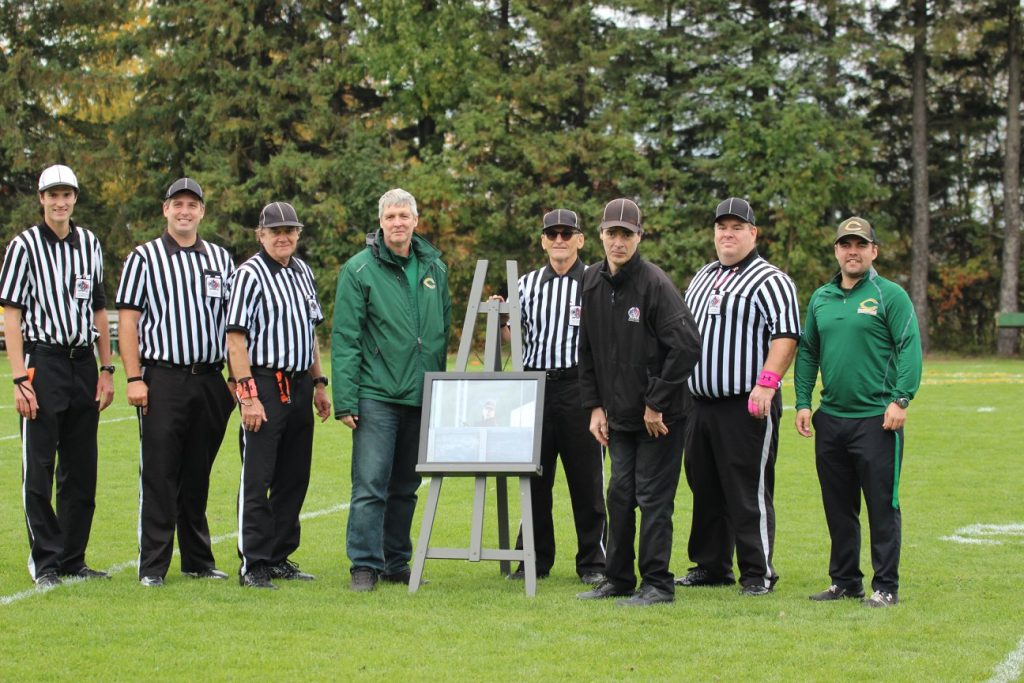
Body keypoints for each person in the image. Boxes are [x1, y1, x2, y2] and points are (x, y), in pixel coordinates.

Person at [576, 198, 701, 607]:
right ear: (600, 235)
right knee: (619, 494)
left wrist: (656, 402)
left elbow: (686, 345)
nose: (618, 241)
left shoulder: (654, 284)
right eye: (612, 233)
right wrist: (595, 406)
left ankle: (658, 585)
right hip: (620, 416)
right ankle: (618, 578)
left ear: (639, 237)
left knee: (652, 498)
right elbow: (588, 350)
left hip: (659, 418)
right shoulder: (591, 281)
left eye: (626, 234)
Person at [794, 216, 922, 608]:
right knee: (838, 507)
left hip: (877, 420)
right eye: (846, 244)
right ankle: (845, 581)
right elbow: (808, 352)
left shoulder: (890, 295)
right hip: (831, 418)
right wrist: (802, 402)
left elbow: (909, 346)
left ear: (873, 251)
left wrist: (901, 400)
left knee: (883, 506)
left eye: (861, 245)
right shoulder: (821, 297)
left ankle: (886, 587)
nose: (853, 251)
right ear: (836, 250)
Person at [116, 178, 236, 587]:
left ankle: (198, 561)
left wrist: (237, 379)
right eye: (177, 204)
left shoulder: (221, 259)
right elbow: (128, 322)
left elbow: (234, 324)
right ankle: (152, 566)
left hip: (209, 378)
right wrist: (134, 377)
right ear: (165, 209)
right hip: (163, 377)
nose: (185, 211)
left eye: (193, 205)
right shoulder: (144, 258)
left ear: (202, 211)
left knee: (197, 473)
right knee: (161, 473)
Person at [0, 164, 115, 586]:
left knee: (82, 467)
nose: (60, 202)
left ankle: (72, 557)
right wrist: (19, 377)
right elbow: (11, 315)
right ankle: (45, 561)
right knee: (40, 466)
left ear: (75, 199)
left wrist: (106, 369)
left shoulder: (89, 243)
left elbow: (99, 310)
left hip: (83, 361)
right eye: (53, 195)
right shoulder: (24, 246)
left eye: (67, 195)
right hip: (43, 361)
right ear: (41, 198)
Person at [680, 197, 801, 596]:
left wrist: (767, 382)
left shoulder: (771, 280)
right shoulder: (702, 276)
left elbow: (785, 334)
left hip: (746, 402)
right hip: (700, 402)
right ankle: (712, 565)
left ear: (753, 232)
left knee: (748, 488)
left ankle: (757, 572)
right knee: (705, 487)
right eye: (721, 227)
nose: (727, 234)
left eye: (736, 227)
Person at [332, 188, 451, 592]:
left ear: (416, 220)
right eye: (390, 217)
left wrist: (441, 392)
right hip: (377, 394)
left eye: (404, 215)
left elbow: (441, 332)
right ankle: (364, 564)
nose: (398, 223)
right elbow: (346, 338)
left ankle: (396, 560)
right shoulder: (359, 270)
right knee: (370, 484)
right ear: (380, 223)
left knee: (406, 486)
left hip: (422, 395)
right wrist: (346, 399)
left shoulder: (436, 266)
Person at [497, 208, 608, 585]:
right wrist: (499, 317)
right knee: (533, 476)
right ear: (543, 240)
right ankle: (533, 559)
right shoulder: (526, 284)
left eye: (566, 233)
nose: (559, 240)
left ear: (580, 239)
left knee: (587, 479)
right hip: (534, 387)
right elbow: (513, 335)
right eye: (552, 234)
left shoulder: (597, 280)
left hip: (580, 387)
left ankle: (594, 562)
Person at [227, 201, 332, 589]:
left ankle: (278, 555)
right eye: (275, 231)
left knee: (293, 475)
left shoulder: (302, 271)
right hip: (265, 381)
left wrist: (320, 384)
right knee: (258, 475)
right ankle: (252, 562)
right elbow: (235, 340)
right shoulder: (248, 275)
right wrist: (248, 395)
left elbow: (310, 334)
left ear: (298, 234)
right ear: (261, 235)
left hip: (300, 382)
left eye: (290, 230)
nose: (283, 237)